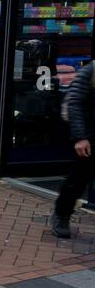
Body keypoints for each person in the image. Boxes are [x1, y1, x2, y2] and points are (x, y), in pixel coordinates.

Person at [52, 61, 95, 239]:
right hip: (90, 135)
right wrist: (81, 137)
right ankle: (62, 214)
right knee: (78, 179)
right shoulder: (91, 70)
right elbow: (74, 102)